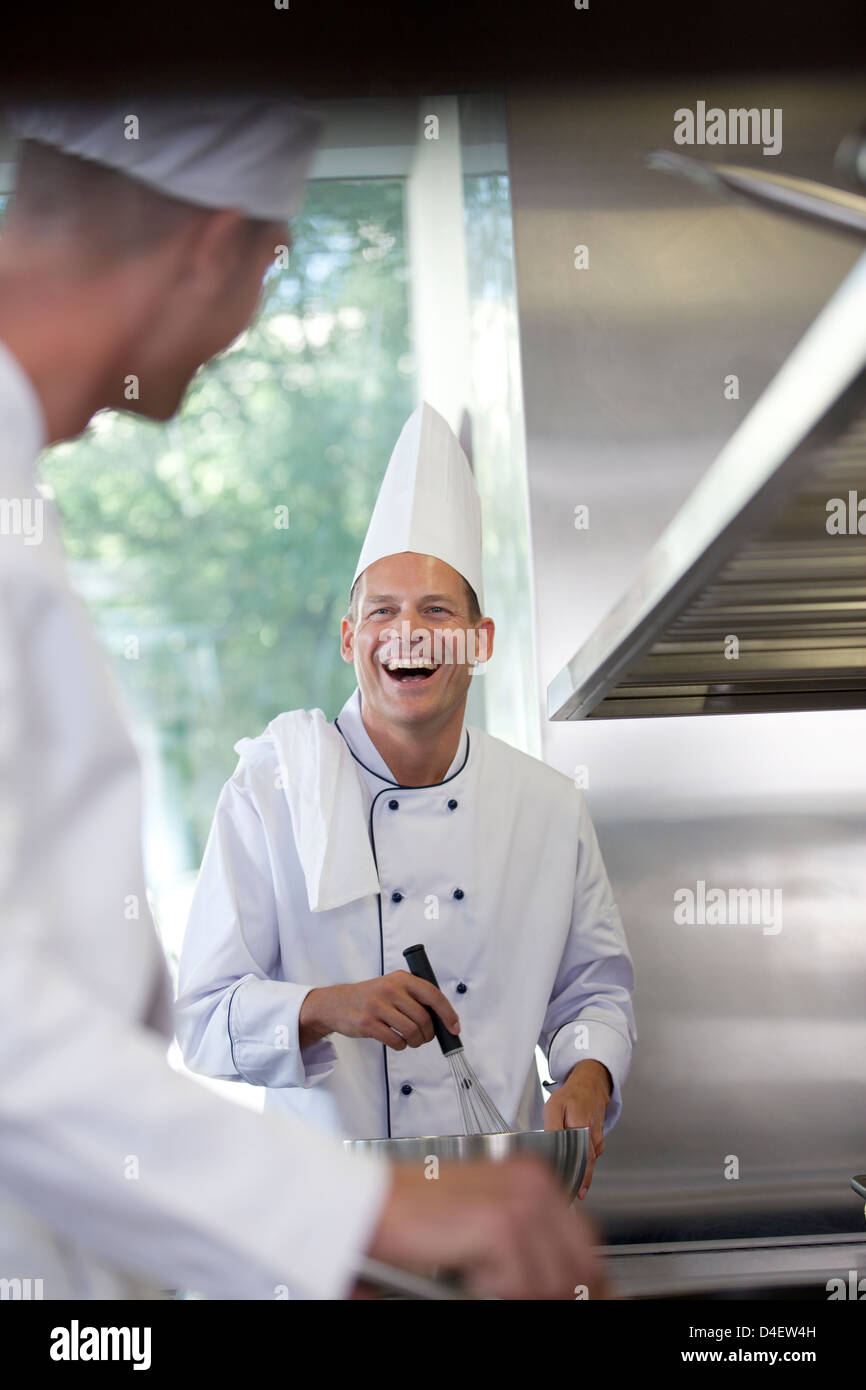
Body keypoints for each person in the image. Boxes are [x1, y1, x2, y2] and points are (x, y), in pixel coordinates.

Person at [0, 100, 605, 1301]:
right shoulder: (268, 777)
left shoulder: (23, 502)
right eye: (275, 262)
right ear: (215, 247)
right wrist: (358, 1209)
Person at [177, 401, 636, 1200]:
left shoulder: (548, 808)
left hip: (497, 1214)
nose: (408, 634)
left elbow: (592, 991)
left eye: (436, 611)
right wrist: (327, 1008)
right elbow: (203, 1024)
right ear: (353, 640)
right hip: (325, 1224)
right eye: (381, 612)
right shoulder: (270, 796)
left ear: (480, 641)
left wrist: (590, 1076)